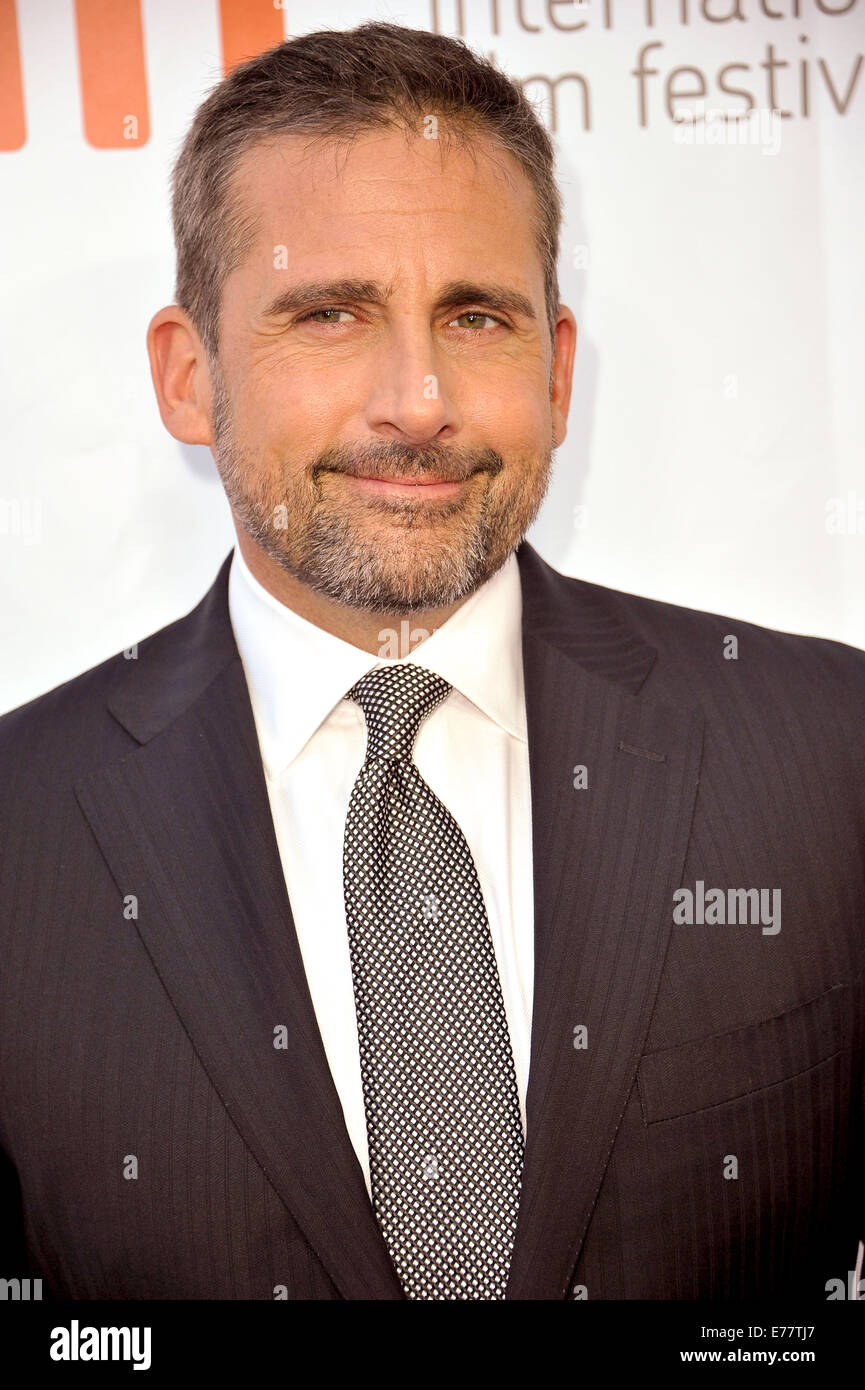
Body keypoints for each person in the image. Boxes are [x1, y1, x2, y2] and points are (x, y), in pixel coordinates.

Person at [1, 20, 863, 1302]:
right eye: (331, 313)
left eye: (475, 315)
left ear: (558, 373)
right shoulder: (20, 828)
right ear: (190, 378)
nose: (417, 397)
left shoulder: (827, 748)